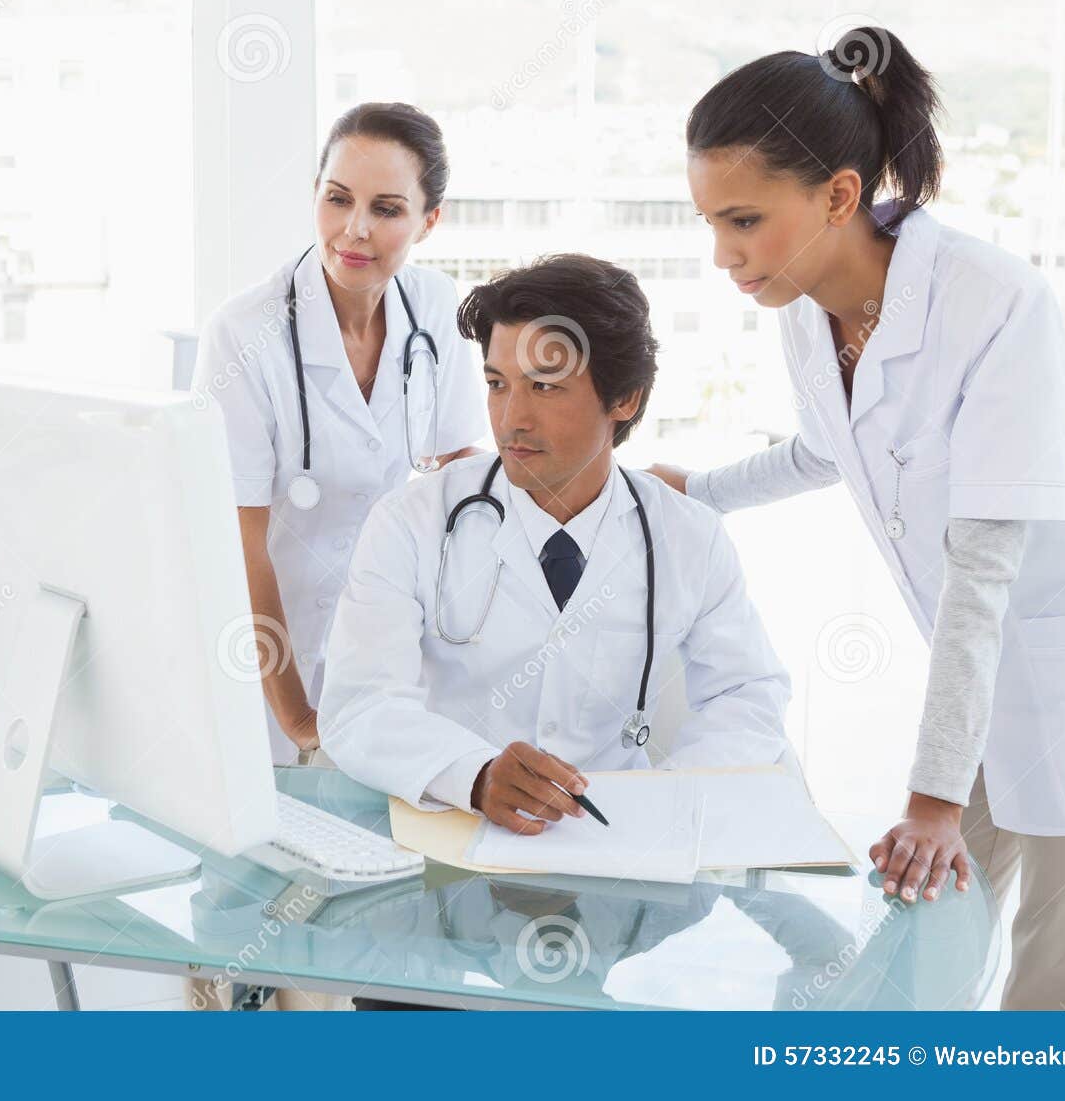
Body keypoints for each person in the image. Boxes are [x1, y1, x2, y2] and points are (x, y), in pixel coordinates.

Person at [653, 25, 1065, 1010]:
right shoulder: (802, 303)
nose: (723, 255)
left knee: (1059, 996)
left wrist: (932, 800)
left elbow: (981, 566)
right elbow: (833, 446)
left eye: (742, 220)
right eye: (709, 222)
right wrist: (700, 490)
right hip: (987, 677)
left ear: (836, 193)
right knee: (918, 951)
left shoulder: (991, 302)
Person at [319, 256, 795, 1008]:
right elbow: (355, 706)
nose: (512, 417)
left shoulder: (688, 537)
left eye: (545, 386)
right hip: (438, 897)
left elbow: (750, 692)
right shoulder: (412, 522)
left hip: (616, 890)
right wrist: (472, 773)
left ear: (624, 398)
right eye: (498, 382)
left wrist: (669, 801)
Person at [192, 102, 487, 765]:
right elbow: (238, 547)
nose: (354, 230)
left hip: (381, 652)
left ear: (428, 220)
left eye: (386, 209)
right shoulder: (242, 335)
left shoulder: (432, 307)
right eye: (337, 199)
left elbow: (459, 473)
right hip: (259, 661)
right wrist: (300, 721)